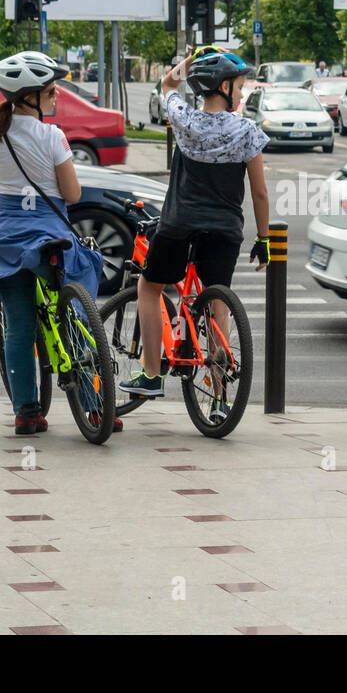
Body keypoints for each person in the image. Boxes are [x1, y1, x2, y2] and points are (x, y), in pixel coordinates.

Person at [118, 46, 271, 423]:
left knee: (150, 287)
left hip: (179, 224)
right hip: (224, 230)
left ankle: (152, 374)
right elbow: (260, 192)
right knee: (217, 302)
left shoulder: (184, 119)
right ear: (222, 86)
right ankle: (219, 399)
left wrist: (192, 60)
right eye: (238, 85)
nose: (242, 92)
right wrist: (263, 238)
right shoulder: (247, 131)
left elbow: (167, 82)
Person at [0, 51, 106, 436]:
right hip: (50, 236)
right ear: (31, 96)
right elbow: (72, 192)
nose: (56, 97)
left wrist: (12, 185)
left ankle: (27, 413)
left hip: (6, 238)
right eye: (51, 91)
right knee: (74, 314)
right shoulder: (53, 137)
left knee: (17, 325)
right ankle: (95, 407)